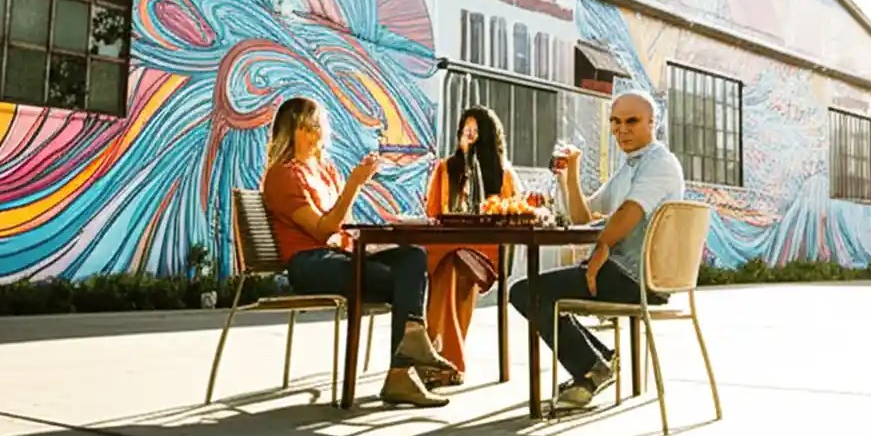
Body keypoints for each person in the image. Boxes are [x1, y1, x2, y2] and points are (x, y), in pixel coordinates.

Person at [261, 96, 456, 407]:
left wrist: (375, 240)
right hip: (310, 263)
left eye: (318, 127)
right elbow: (323, 230)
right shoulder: (283, 175)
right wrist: (354, 184)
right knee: (401, 283)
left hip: (339, 256)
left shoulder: (324, 171)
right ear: (289, 131)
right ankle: (404, 367)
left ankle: (406, 356)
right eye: (307, 128)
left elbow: (342, 225)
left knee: (412, 256)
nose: (315, 135)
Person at [509, 90, 684, 411]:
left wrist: (601, 248)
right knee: (535, 291)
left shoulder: (660, 163)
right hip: (621, 273)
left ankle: (593, 368)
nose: (622, 129)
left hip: (636, 277)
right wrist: (571, 174)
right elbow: (583, 218)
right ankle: (598, 361)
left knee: (526, 292)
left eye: (631, 121)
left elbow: (630, 212)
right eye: (615, 122)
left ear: (652, 123)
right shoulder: (630, 167)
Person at [422, 106, 522, 387]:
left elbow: (512, 214)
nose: (469, 137)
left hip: (485, 251)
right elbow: (434, 212)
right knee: (450, 263)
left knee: (456, 264)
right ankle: (437, 355)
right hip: (447, 246)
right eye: (465, 131)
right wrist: (461, 170)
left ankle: (442, 357)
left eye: (476, 132)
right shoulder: (445, 169)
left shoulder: (504, 175)